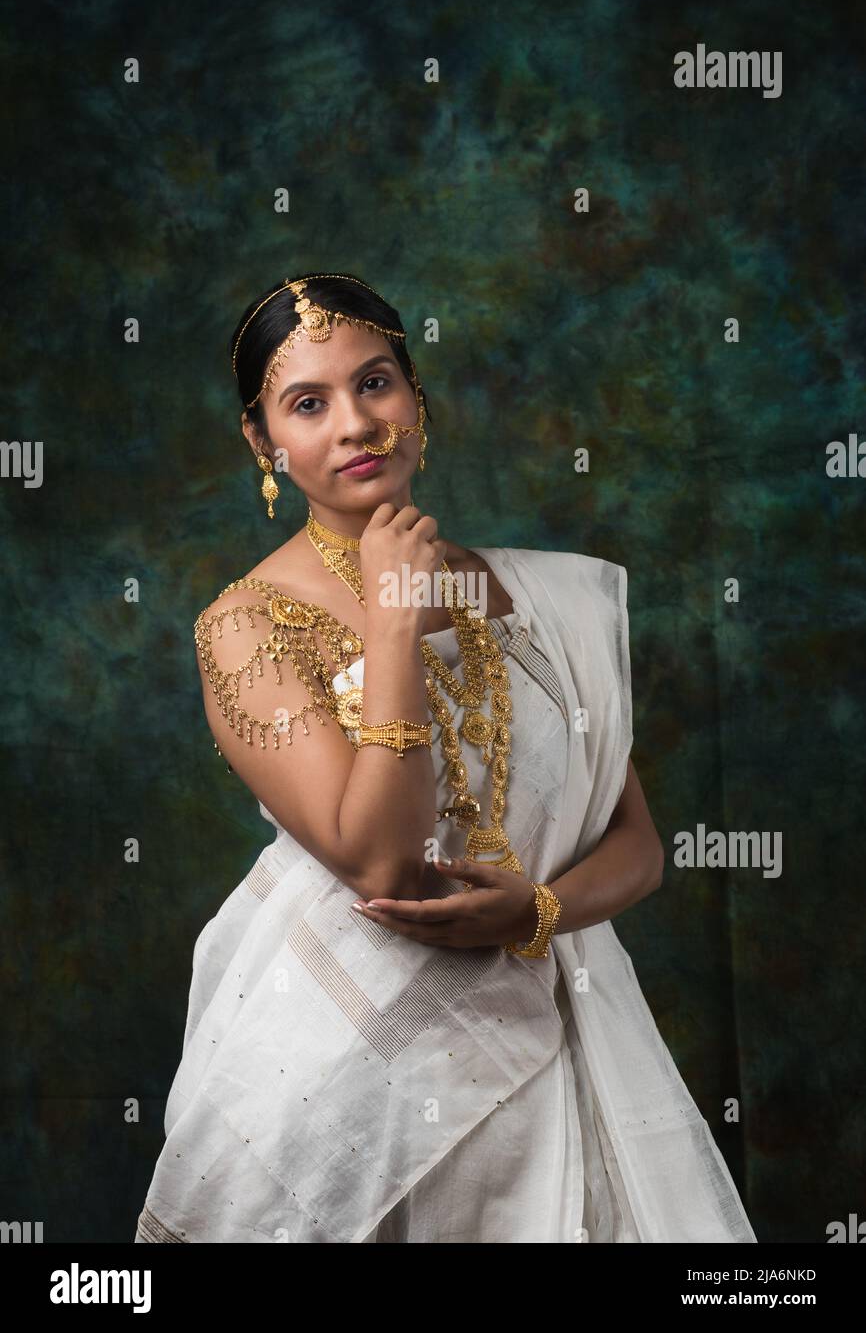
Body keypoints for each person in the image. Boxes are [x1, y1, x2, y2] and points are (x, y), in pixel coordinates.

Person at [134, 273, 757, 1244]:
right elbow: (377, 861)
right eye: (308, 402)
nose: (354, 423)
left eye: (374, 382)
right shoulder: (243, 625)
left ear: (415, 399)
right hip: (350, 1068)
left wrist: (537, 909)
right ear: (264, 443)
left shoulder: (540, 599)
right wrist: (392, 622)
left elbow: (635, 842)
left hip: (560, 1027)